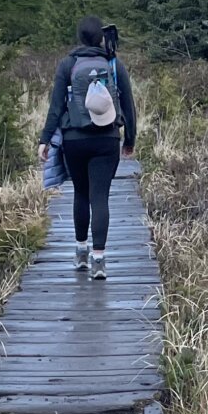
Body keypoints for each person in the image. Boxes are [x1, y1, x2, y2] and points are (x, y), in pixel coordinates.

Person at [38, 16, 137, 280]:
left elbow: (56, 107)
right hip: (107, 139)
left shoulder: (68, 64)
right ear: (101, 38)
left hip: (74, 140)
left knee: (81, 194)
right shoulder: (113, 64)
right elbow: (128, 104)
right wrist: (129, 140)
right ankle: (99, 260)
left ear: (80, 38)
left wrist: (45, 140)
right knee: (100, 197)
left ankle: (81, 254)